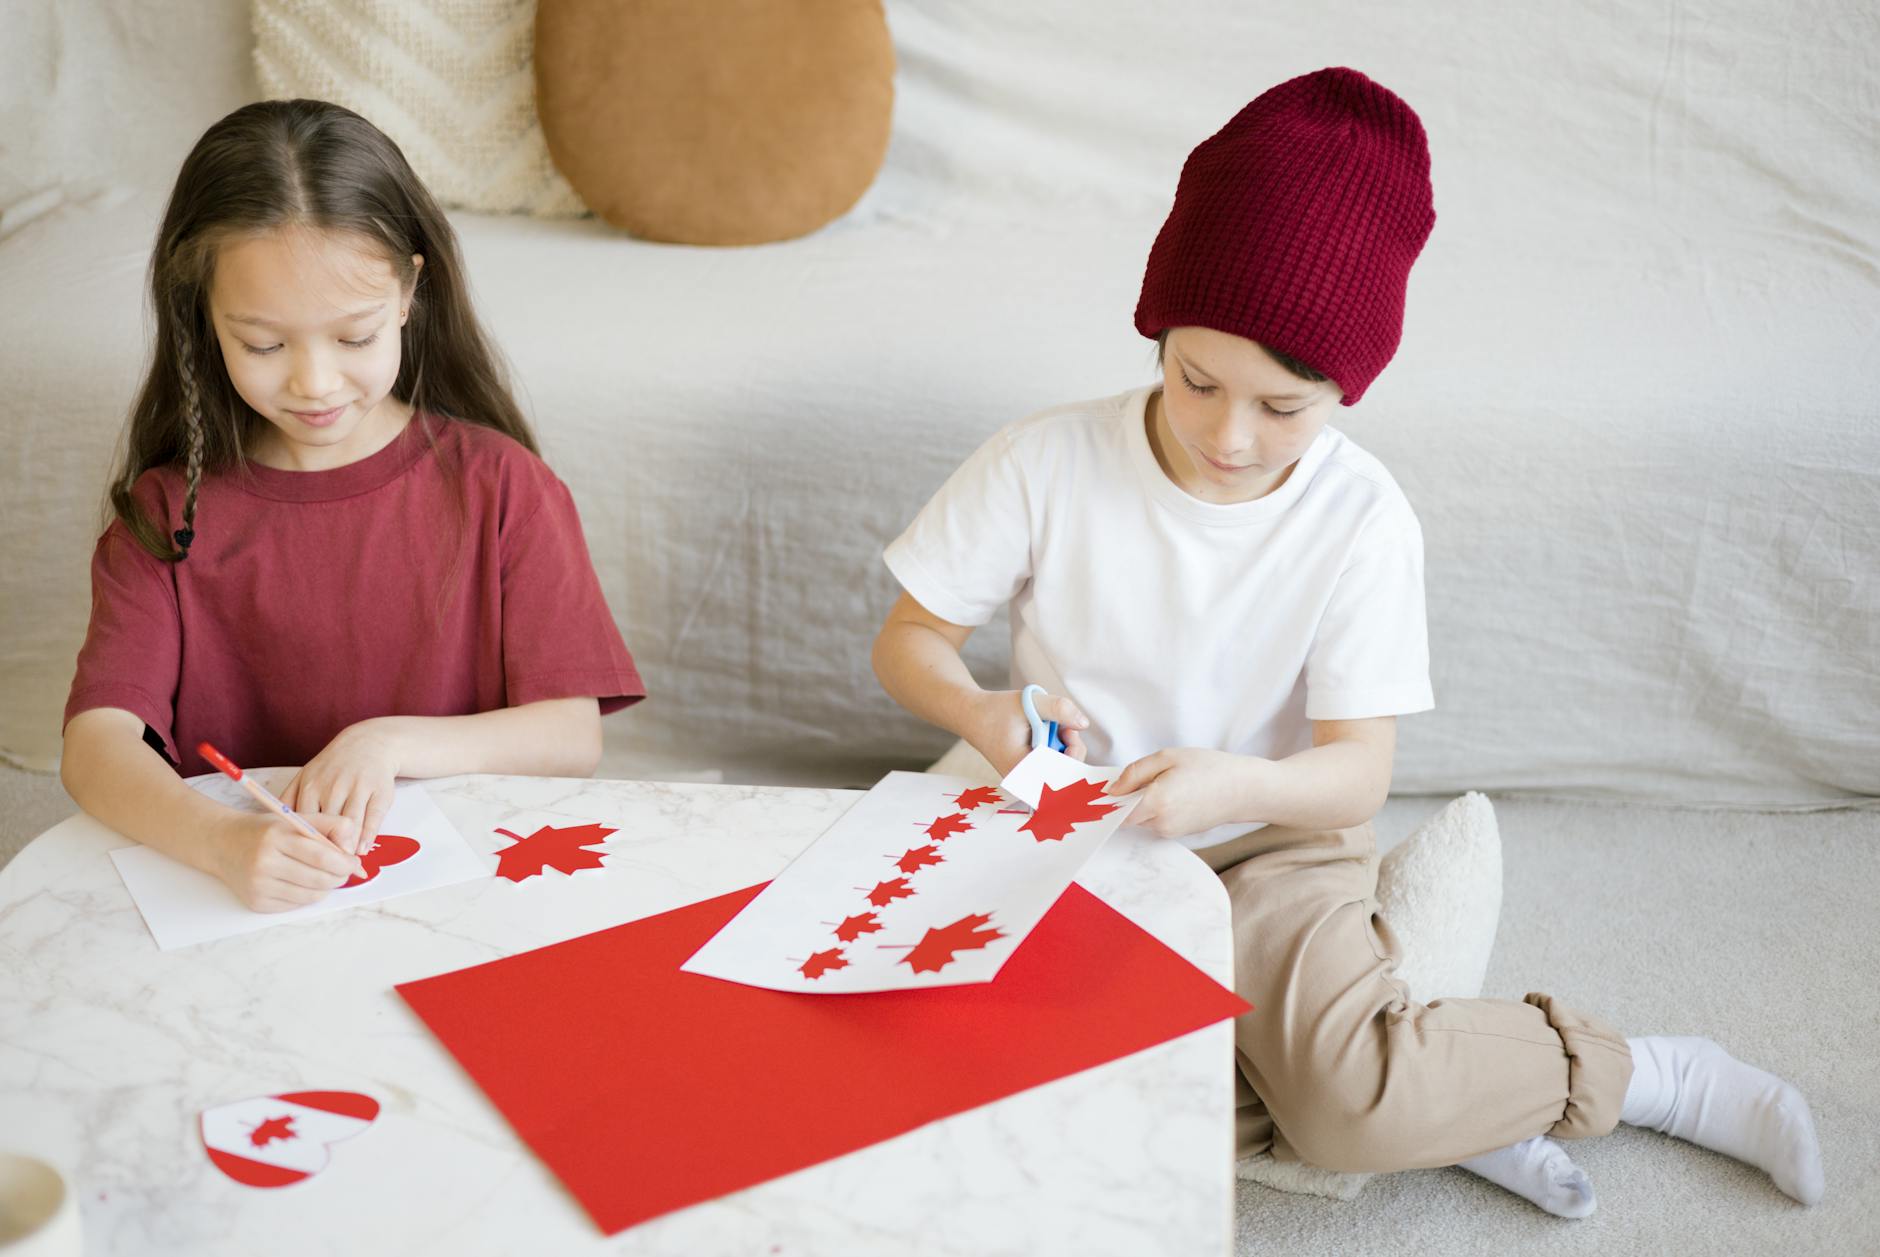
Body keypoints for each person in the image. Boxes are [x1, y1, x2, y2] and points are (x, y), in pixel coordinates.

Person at [871, 67, 1821, 1216]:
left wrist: (1236, 784)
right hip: (1078, 838)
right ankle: (1439, 1091)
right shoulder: (1043, 461)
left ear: (1344, 389)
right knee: (987, 1080)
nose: (1228, 436)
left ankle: (1645, 1074)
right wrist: (979, 713)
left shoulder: (1360, 519)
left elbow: (1356, 772)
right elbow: (910, 640)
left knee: (1330, 1108)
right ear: (1158, 332)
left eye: (1282, 408)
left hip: (1275, 839)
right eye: (1195, 381)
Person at [62, 100, 644, 913]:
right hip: (243, 898)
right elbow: (95, 745)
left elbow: (571, 735)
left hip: (459, 897)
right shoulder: (167, 513)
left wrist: (388, 741)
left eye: (355, 337)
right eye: (264, 344)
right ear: (203, 316)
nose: (315, 382)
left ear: (408, 292)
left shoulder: (503, 486)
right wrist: (218, 841)